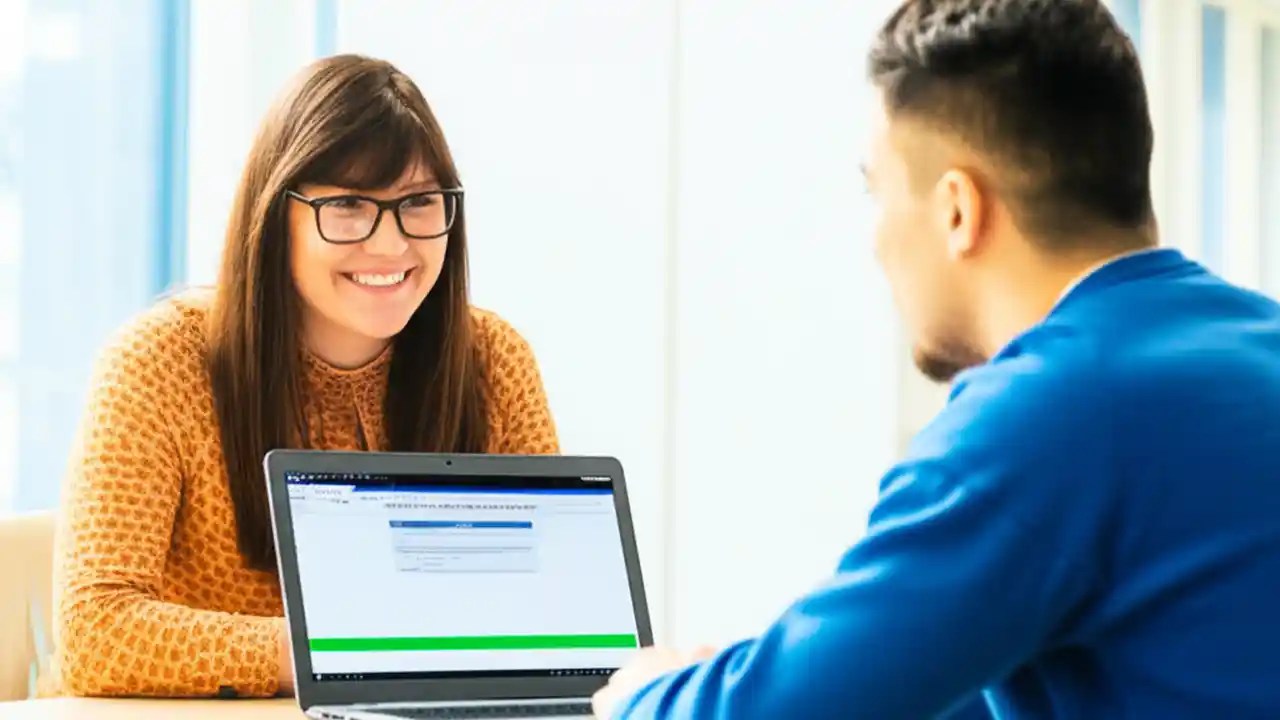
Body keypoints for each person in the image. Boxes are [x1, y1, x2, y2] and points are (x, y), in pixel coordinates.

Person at [594, 0, 1280, 718]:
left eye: (877, 192)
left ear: (957, 209)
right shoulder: (1253, 349)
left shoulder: (1051, 411)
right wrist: (755, 674)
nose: (876, 240)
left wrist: (649, 697)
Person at [49, 55, 559, 698]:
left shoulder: (491, 359)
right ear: (274, 214)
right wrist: (332, 651)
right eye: (347, 205)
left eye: (419, 204)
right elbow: (97, 631)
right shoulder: (160, 362)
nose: (391, 245)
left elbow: (550, 612)